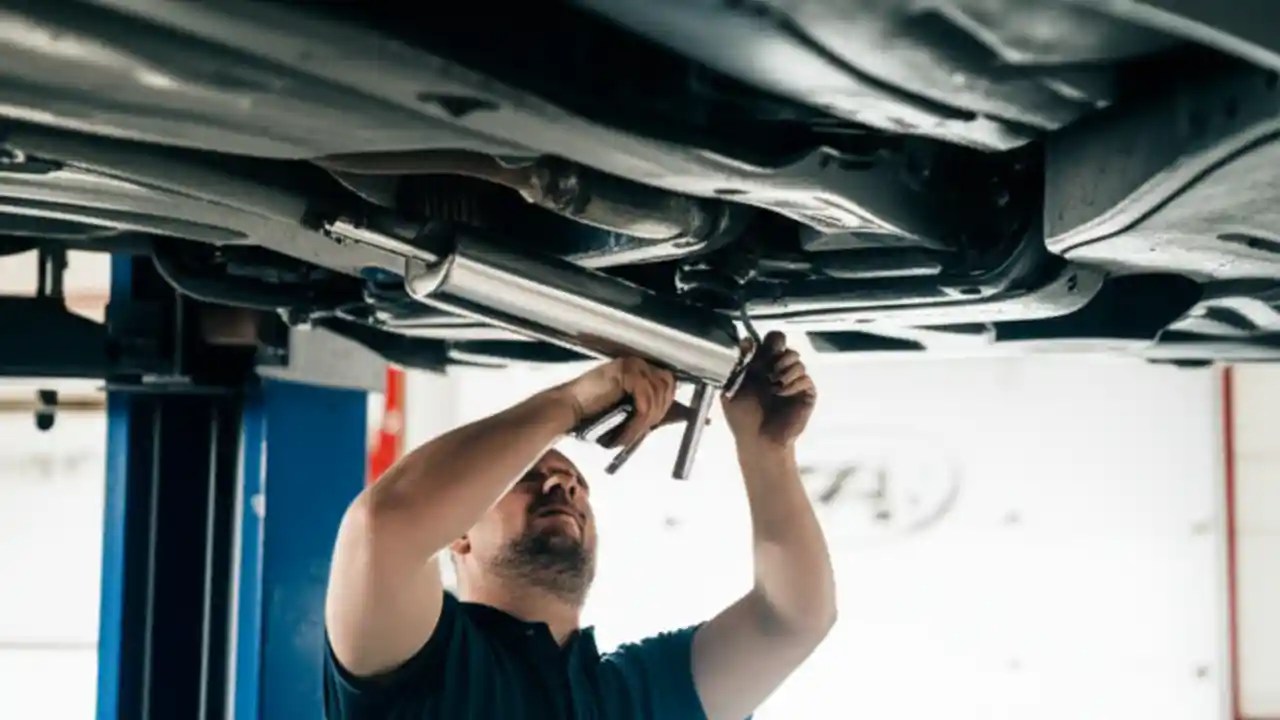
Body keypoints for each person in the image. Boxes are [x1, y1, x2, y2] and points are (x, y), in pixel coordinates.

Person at [323, 331, 836, 719]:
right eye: (531, 477)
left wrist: (766, 451)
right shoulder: (428, 665)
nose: (563, 487)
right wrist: (568, 406)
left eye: (572, 481)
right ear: (458, 534)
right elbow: (381, 527)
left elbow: (788, 615)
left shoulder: (621, 693)